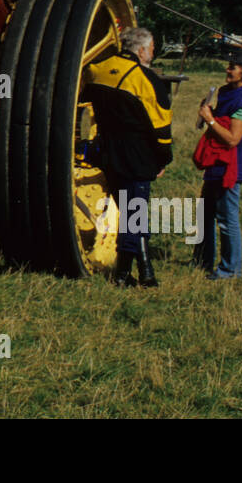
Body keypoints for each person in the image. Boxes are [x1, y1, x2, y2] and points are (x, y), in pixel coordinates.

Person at [85, 26, 173, 287]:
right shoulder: (145, 79)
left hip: (109, 152)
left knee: (130, 211)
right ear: (143, 50)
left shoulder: (97, 69)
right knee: (135, 214)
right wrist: (163, 159)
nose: (153, 52)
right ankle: (122, 275)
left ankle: (146, 271)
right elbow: (161, 128)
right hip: (138, 156)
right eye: (153, 48)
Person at [195, 50, 242, 279]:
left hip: (230, 166)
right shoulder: (228, 93)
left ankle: (230, 270)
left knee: (226, 218)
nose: (228, 70)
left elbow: (233, 139)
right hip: (217, 161)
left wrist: (210, 120)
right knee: (205, 213)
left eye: (233, 67)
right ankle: (201, 261)